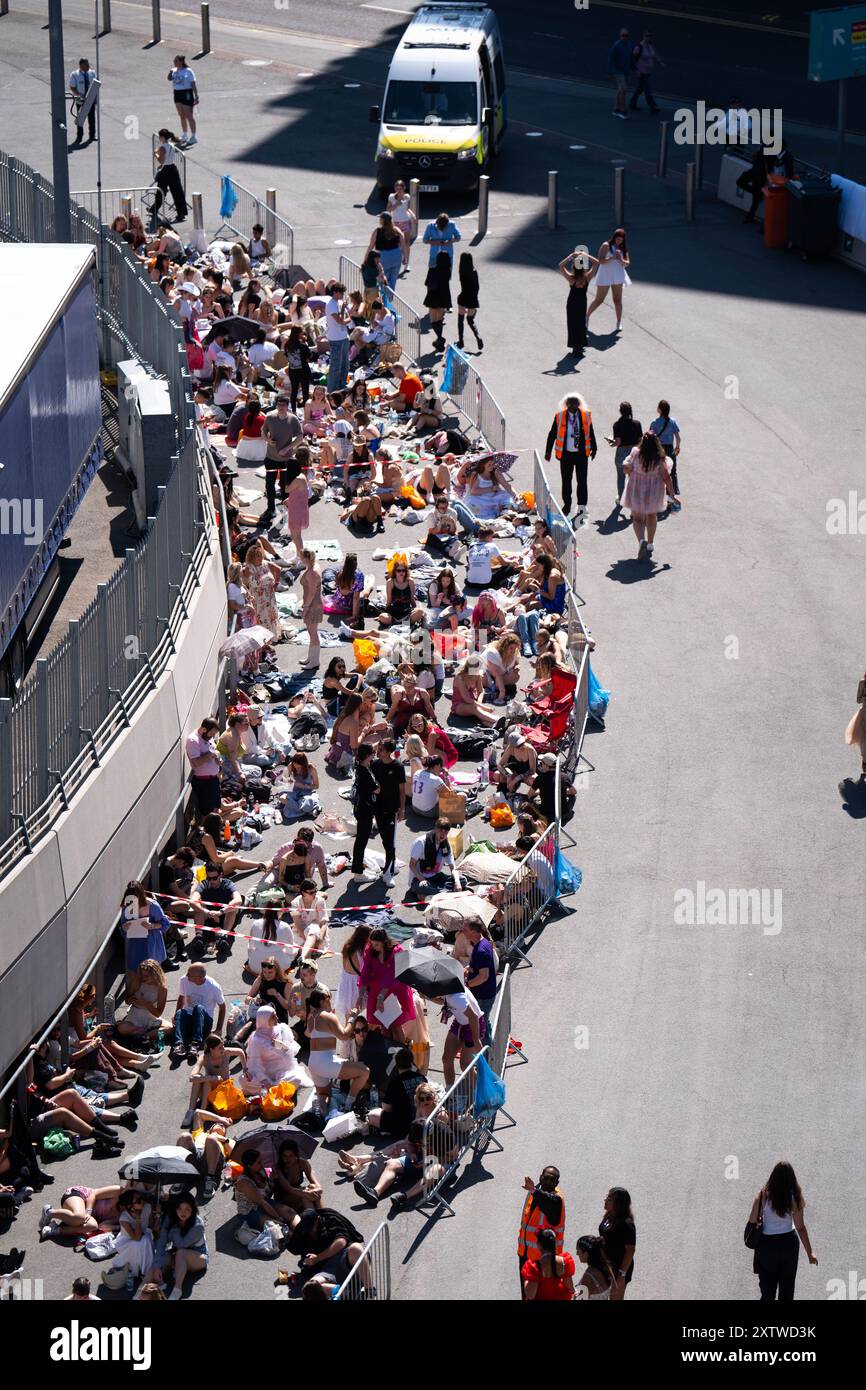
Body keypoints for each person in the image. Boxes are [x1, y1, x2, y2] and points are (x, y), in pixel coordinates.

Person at [749, 1161, 817, 1301]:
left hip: (767, 1247)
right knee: (787, 1291)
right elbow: (800, 1228)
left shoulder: (762, 1196)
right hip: (788, 1245)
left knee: (767, 1293)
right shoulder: (794, 1198)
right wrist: (810, 1253)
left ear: (772, 1177)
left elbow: (752, 1220)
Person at [305, 986, 370, 1109]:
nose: (331, 1000)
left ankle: (321, 1113)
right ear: (323, 1001)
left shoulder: (311, 1017)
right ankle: (349, 1106)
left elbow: (308, 1033)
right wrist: (352, 1018)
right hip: (326, 1063)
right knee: (364, 1072)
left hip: (313, 1064)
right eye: (329, 997)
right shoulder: (328, 1016)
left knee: (324, 1094)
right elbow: (345, 1036)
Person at [622, 431, 679, 561]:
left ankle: (641, 540)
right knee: (651, 515)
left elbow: (626, 467)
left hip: (636, 488)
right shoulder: (660, 459)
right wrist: (672, 495)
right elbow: (666, 477)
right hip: (654, 491)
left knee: (637, 518)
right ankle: (650, 543)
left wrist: (630, 472)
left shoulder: (636, 453)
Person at [544, 393, 597, 524]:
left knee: (582, 481)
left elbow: (590, 432)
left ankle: (582, 507)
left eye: (575, 403)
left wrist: (594, 448)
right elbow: (552, 434)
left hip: (581, 454)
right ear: (566, 404)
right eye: (570, 403)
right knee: (566, 481)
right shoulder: (560, 416)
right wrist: (548, 451)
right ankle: (567, 504)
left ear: (579, 404)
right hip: (566, 454)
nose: (573, 406)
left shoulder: (585, 415)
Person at [357, 928, 417, 1040]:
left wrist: (381, 997)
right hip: (378, 991)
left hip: (396, 991)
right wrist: (360, 995)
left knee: (396, 1027)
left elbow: (393, 976)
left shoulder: (397, 951)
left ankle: (400, 1054)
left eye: (376, 944)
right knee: (383, 1026)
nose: (373, 946)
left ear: (384, 942)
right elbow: (365, 972)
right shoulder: (371, 950)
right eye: (372, 943)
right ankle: (388, 1053)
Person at [518, 1167, 566, 1296]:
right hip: (525, 1253)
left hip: (543, 1258)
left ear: (557, 1183)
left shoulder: (556, 1200)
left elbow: (547, 1200)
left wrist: (533, 1190)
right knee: (526, 1293)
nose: (549, 1181)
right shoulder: (535, 1191)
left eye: (552, 1179)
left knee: (540, 1294)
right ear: (540, 1177)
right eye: (546, 1177)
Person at [244, 1005, 312, 1093]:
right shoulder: (256, 1039)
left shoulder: (282, 1029)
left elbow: (293, 1053)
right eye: (273, 1016)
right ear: (264, 1020)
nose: (276, 1018)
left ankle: (270, 1089)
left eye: (275, 1015)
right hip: (265, 1074)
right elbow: (255, 1065)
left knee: (296, 1079)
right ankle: (273, 1088)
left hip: (283, 1072)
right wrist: (264, 1080)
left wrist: (282, 1046)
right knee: (243, 1080)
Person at [151, 1194, 207, 1300]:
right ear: (175, 1209)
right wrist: (157, 1267)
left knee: (181, 1253)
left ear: (193, 1210)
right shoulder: (171, 1218)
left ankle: (177, 1290)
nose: (183, 1213)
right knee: (160, 1258)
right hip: (177, 1254)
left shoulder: (198, 1226)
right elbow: (162, 1242)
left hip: (198, 1257)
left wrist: (171, 1228)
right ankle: (141, 1289)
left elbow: (181, 1244)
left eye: (187, 1209)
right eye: (179, 1209)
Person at [189, 863, 243, 959]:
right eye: (209, 878)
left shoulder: (228, 884)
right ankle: (199, 937)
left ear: (221, 875)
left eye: (214, 878)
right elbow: (192, 901)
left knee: (233, 907)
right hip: (209, 916)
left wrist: (221, 911)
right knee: (198, 905)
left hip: (224, 917)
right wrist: (206, 911)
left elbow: (238, 900)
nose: (212, 881)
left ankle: (224, 936)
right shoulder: (204, 884)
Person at [262, 394, 302, 521]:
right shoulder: (270, 417)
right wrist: (268, 440)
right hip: (271, 457)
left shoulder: (293, 419)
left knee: (286, 486)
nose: (280, 407)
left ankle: (284, 511)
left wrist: (288, 448)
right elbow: (263, 432)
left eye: (283, 405)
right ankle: (270, 509)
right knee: (269, 484)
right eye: (278, 404)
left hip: (286, 459)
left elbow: (300, 437)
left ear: (287, 406)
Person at [172, 963, 226, 1057]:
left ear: (200, 977)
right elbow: (181, 998)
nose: (187, 975)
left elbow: (222, 1007)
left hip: (204, 1023)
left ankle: (195, 1044)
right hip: (190, 1020)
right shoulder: (184, 980)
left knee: (199, 1008)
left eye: (190, 974)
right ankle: (179, 1045)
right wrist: (176, 1016)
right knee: (180, 1012)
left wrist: (219, 1029)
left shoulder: (213, 987)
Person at [371, 739, 404, 887]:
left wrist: (402, 809)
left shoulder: (398, 766)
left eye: (382, 749)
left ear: (389, 751)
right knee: (386, 840)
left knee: (390, 842)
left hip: (392, 809)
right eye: (379, 748)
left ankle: (387, 873)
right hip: (378, 808)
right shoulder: (375, 764)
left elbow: (402, 790)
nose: (379, 751)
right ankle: (392, 864)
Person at [586, 228, 630, 332]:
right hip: (605, 276)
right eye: (618, 239)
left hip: (618, 276)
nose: (619, 241)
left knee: (617, 300)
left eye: (621, 239)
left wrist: (621, 260)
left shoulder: (623, 248)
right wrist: (612, 258)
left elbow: (627, 263)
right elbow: (600, 260)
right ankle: (586, 317)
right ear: (614, 237)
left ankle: (619, 322)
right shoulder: (606, 245)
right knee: (599, 300)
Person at [558, 248, 598, 358]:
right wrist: (585, 255)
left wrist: (571, 255)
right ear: (584, 267)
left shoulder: (571, 278)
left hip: (571, 303)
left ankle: (575, 346)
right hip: (582, 303)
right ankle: (580, 346)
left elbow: (561, 265)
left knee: (572, 324)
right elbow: (596, 262)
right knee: (580, 323)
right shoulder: (587, 278)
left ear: (574, 267)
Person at [598, 1185, 637, 1300]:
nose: (605, 1200)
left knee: (615, 1297)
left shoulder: (626, 1224)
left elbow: (630, 1251)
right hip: (606, 1265)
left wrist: (621, 1275)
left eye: (609, 1198)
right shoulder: (609, 1216)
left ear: (618, 1203)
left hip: (619, 1268)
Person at [408, 817, 461, 895]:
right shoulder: (421, 842)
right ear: (435, 829)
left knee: (462, 880)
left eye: (446, 832)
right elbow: (412, 865)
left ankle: (434, 894)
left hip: (435, 877)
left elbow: (453, 867)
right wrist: (422, 879)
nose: (443, 834)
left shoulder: (446, 845)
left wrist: (457, 882)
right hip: (419, 878)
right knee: (424, 887)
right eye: (440, 830)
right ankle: (444, 893)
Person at [111, 1191, 155, 1284]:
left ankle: (145, 1272)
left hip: (142, 1238)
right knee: (142, 1241)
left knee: (145, 1239)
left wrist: (157, 1215)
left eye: (142, 1198)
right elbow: (136, 1237)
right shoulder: (124, 1218)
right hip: (126, 1242)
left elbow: (152, 1227)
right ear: (130, 1206)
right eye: (138, 1201)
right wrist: (138, 1219)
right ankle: (146, 1272)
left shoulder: (147, 1207)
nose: (142, 1202)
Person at [522, 1226, 576, 1300]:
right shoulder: (564, 1261)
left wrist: (527, 1281)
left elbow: (531, 1295)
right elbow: (569, 1286)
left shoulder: (534, 1267)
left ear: (539, 1245)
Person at [606, 401, 643, 508]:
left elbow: (618, 442)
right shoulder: (637, 424)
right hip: (634, 452)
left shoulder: (617, 425)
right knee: (635, 476)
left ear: (620, 412)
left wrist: (611, 443)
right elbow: (640, 440)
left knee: (621, 476)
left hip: (621, 452)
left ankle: (621, 498)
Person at [272, 1138, 323, 1214]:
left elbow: (316, 1184)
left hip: (299, 1193)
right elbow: (289, 1189)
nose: (288, 1159)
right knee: (305, 1193)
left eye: (291, 1155)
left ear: (296, 1154)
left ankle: (324, 1215)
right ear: (281, 1156)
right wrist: (307, 1192)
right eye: (285, 1156)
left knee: (312, 1187)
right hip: (283, 1199)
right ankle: (313, 1220)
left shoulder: (302, 1163)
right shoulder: (278, 1168)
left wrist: (316, 1190)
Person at [649, 398, 682, 508]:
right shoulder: (673, 421)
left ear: (660, 410)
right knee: (672, 472)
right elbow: (678, 437)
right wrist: (677, 447)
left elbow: (650, 437)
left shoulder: (655, 422)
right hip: (669, 449)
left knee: (658, 473)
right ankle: (671, 496)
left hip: (659, 449)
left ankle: (657, 496)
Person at [152, 130, 188, 226]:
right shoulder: (171, 145)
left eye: (160, 137)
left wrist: (155, 154)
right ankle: (182, 212)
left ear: (163, 137)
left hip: (166, 171)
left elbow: (162, 161)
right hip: (172, 168)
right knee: (177, 191)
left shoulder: (163, 147)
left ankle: (154, 208)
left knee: (161, 190)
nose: (159, 138)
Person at [463, 922, 497, 1022]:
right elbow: (482, 967)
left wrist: (467, 984)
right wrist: (470, 968)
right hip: (485, 993)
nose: (463, 932)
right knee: (485, 1023)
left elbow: (483, 976)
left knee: (481, 1027)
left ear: (473, 932)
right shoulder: (484, 943)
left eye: (465, 930)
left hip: (483, 995)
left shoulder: (480, 951)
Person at [365, 211, 407, 292]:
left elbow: (371, 246)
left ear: (382, 220)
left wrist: (366, 257)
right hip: (396, 255)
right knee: (393, 279)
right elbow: (403, 244)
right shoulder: (397, 230)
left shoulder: (377, 231)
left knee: (382, 280)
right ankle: (390, 298)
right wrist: (405, 257)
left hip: (383, 257)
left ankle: (383, 301)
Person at [424, 252, 453, 353]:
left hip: (433, 296)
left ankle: (440, 339)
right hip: (444, 296)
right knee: (439, 319)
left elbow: (427, 283)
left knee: (433, 320)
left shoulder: (432, 270)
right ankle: (439, 340)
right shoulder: (447, 271)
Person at [168, 55, 199, 145]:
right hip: (177, 93)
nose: (174, 62)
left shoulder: (188, 71)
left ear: (181, 61)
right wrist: (170, 72)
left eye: (176, 61)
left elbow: (193, 83)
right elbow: (169, 79)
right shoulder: (174, 70)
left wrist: (196, 95)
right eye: (174, 61)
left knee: (189, 115)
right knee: (181, 115)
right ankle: (185, 134)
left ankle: (193, 136)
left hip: (187, 93)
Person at [325, 283, 350, 393]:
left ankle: (341, 387)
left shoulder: (339, 303)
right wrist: (347, 317)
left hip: (343, 337)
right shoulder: (331, 305)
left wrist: (344, 310)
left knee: (345, 364)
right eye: (341, 293)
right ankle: (332, 391)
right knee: (335, 366)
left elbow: (344, 318)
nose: (342, 295)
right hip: (335, 339)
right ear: (335, 292)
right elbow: (340, 321)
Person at [455, 252, 482, 350]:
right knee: (470, 320)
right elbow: (477, 287)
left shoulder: (461, 271)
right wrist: (475, 298)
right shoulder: (474, 271)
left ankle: (461, 341)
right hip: (472, 298)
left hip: (463, 297)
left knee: (460, 320)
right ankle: (478, 336)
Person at [629, 31, 661, 113]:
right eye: (647, 36)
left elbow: (654, 55)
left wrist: (660, 61)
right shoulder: (639, 47)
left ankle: (632, 104)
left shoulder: (650, 46)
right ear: (643, 37)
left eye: (649, 36)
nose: (648, 38)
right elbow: (633, 58)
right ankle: (653, 106)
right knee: (647, 90)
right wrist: (636, 70)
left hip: (648, 72)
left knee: (639, 89)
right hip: (641, 72)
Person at [575, 1234, 615, 1299]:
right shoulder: (606, 1266)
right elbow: (614, 1288)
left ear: (586, 1254)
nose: (577, 1254)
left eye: (578, 1251)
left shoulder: (588, 1277)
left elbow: (582, 1298)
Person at [387, 180, 415, 269]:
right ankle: (398, 260)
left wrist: (413, 215)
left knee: (407, 242)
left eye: (400, 188)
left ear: (404, 188)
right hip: (396, 222)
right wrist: (396, 204)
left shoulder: (407, 197)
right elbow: (388, 210)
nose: (398, 190)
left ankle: (406, 263)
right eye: (397, 188)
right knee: (397, 243)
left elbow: (407, 209)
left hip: (406, 221)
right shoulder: (391, 197)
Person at [68, 58, 96, 145]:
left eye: (88, 64)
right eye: (86, 64)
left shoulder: (92, 73)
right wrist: (79, 95)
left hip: (90, 99)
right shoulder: (75, 74)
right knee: (80, 119)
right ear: (81, 65)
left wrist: (95, 98)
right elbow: (72, 87)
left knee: (92, 118)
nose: (88, 66)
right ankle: (79, 136)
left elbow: (95, 85)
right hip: (80, 100)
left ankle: (92, 135)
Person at [607, 27, 632, 119]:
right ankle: (623, 110)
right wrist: (609, 72)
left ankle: (616, 109)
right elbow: (610, 58)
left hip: (625, 71)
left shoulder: (629, 45)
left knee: (620, 89)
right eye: (623, 35)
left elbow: (631, 57)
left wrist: (634, 68)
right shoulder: (616, 45)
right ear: (620, 36)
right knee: (624, 89)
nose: (625, 37)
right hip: (618, 71)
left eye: (626, 35)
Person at [845, 672, 866, 778]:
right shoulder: (863, 682)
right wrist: (865, 698)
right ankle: (865, 760)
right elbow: (858, 700)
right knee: (863, 740)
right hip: (864, 716)